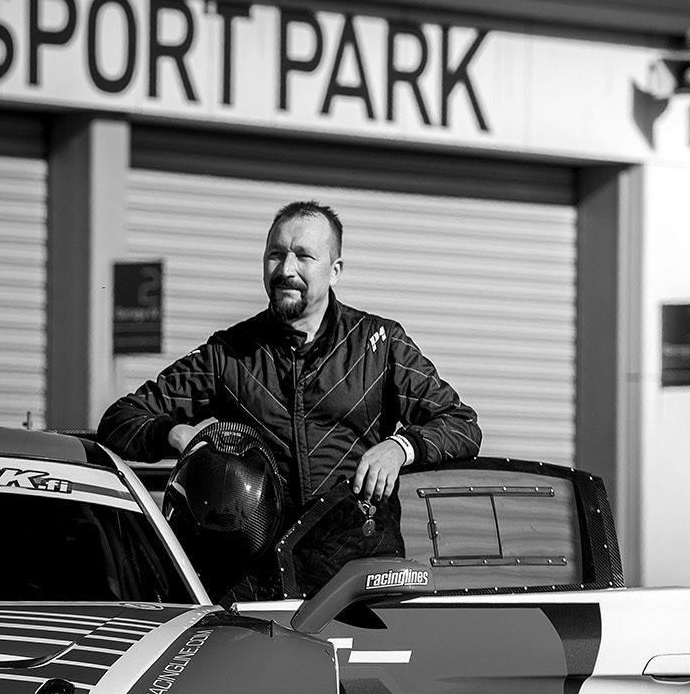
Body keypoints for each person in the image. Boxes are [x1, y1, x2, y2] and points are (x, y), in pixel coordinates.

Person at [98, 199, 480, 595]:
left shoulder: (380, 345)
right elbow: (120, 419)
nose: (286, 270)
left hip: (359, 585)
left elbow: (460, 424)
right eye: (275, 254)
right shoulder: (228, 353)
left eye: (303, 256)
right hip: (252, 587)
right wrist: (179, 436)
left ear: (335, 271)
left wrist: (401, 447)